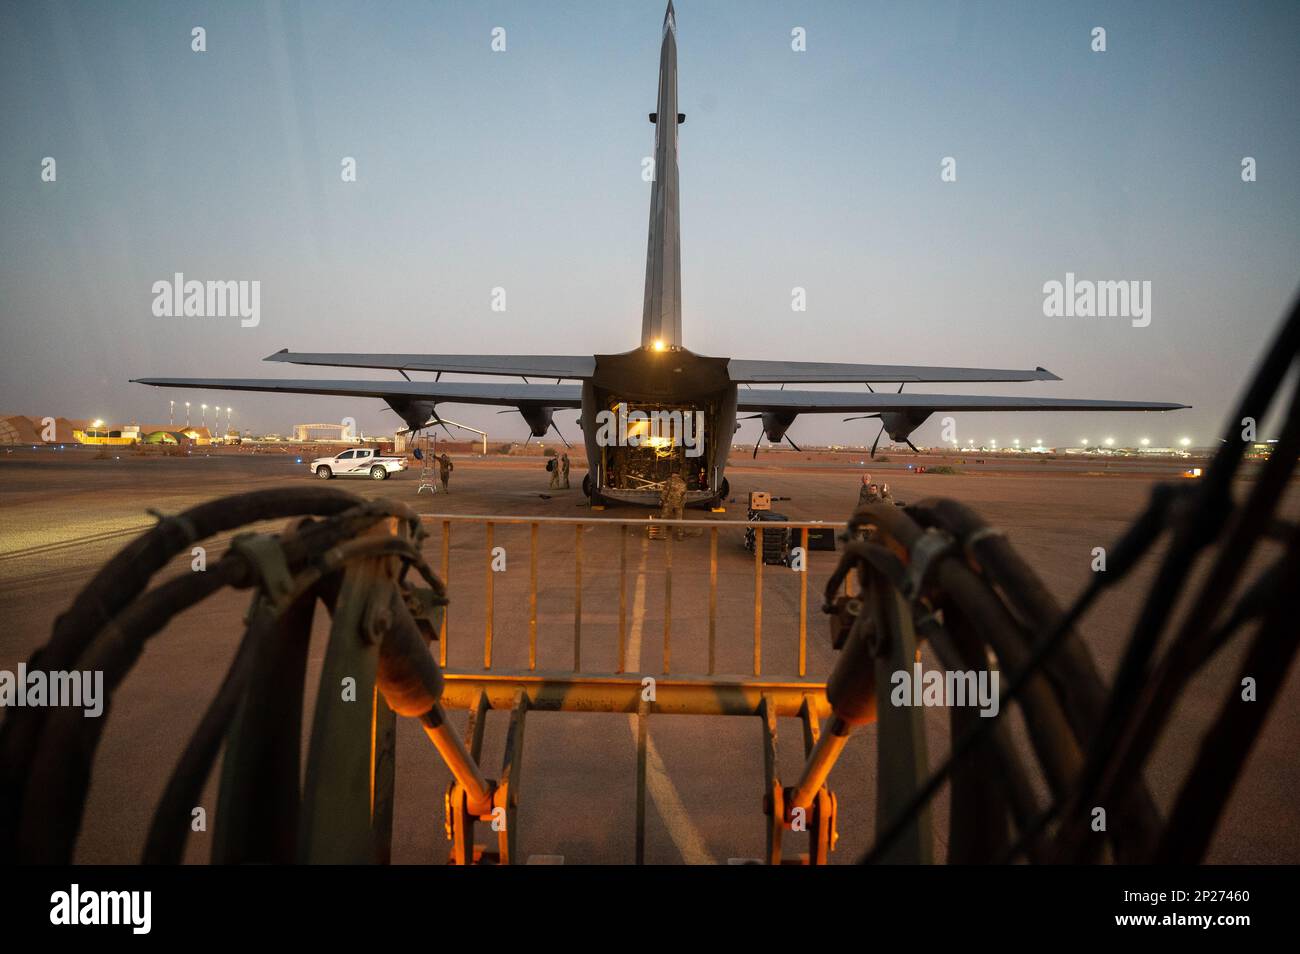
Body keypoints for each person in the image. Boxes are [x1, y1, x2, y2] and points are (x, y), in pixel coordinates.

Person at [660, 472, 687, 538]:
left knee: (664, 517)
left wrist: (662, 500)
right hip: (679, 503)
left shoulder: (670, 480)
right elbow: (685, 496)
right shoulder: (683, 482)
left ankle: (663, 534)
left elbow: (665, 491)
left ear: (673, 474)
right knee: (679, 519)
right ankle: (680, 535)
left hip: (669, 502)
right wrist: (682, 504)